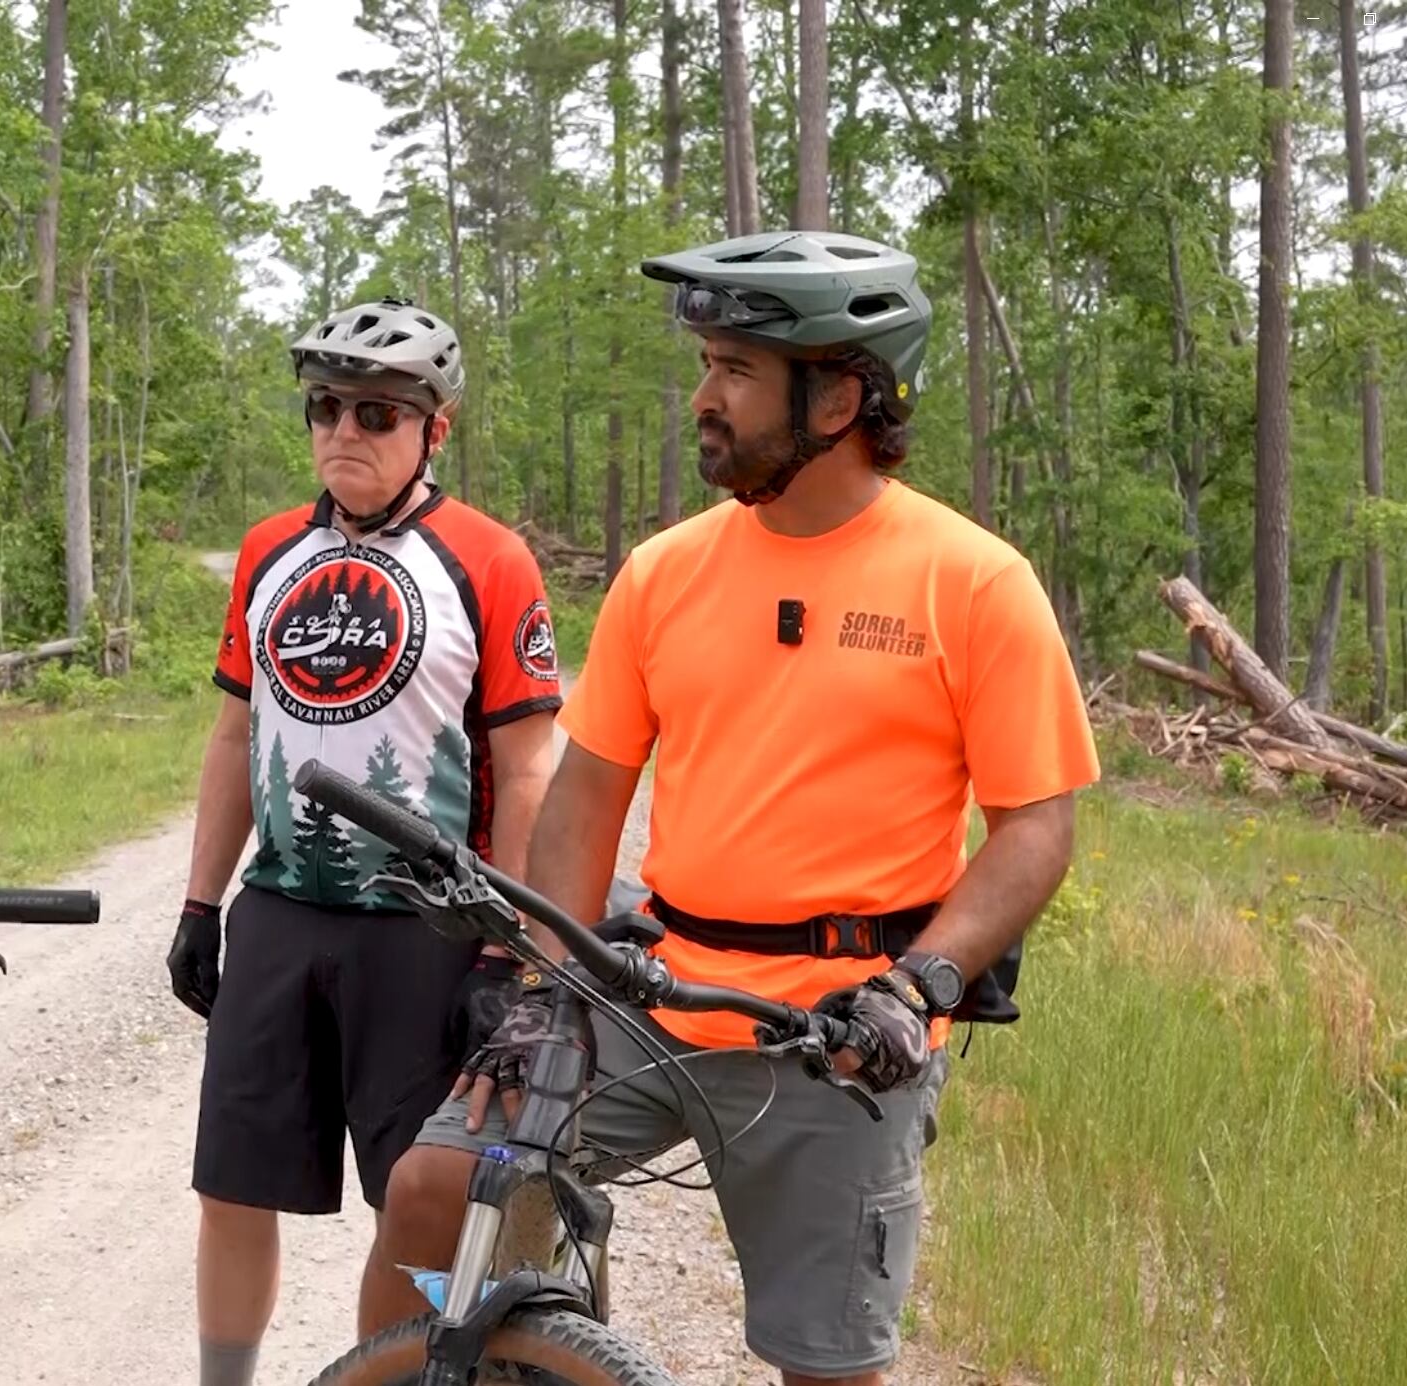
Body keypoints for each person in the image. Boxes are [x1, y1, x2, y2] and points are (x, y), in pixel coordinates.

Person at [373, 230, 1100, 1386]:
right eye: (706, 363)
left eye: (734, 371)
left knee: (822, 1367)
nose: (702, 398)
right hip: (651, 993)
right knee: (432, 1184)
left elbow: (1035, 827)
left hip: (836, 1036)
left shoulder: (969, 581)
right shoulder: (665, 571)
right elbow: (586, 795)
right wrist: (538, 987)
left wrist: (922, 984)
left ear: (839, 396)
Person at [169, 297, 567, 1385]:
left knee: (415, 1204)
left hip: (427, 934)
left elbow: (529, 766)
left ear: (433, 430)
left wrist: (514, 954)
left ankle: (386, 1375)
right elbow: (231, 730)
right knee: (232, 1186)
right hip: (281, 916)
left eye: (378, 413)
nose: (345, 430)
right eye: (325, 407)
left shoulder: (488, 559)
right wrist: (202, 904)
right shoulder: (267, 551)